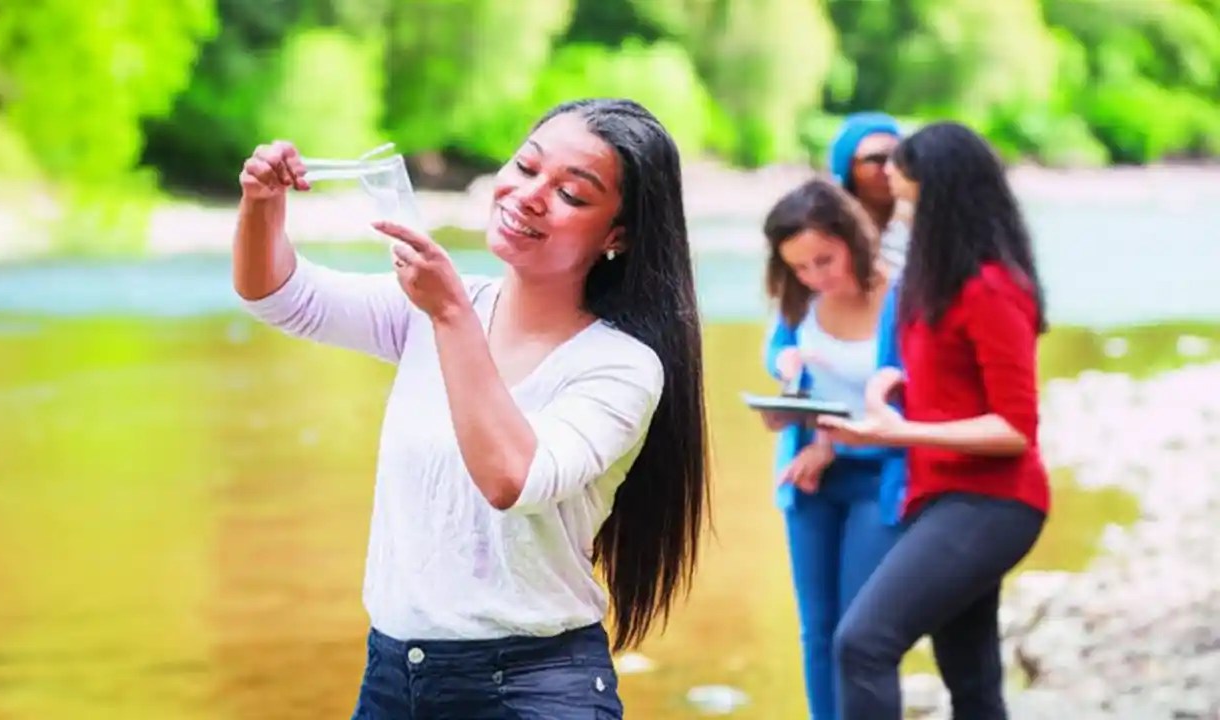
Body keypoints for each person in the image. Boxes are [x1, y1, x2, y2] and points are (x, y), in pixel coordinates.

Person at [231, 98, 710, 719]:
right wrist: (262, 205)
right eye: (527, 166)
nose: (530, 196)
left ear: (617, 235)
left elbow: (513, 479)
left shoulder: (620, 366)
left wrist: (451, 313)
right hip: (393, 681)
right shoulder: (429, 312)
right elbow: (279, 296)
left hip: (532, 688)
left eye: (571, 194)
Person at [818, 121, 1050, 720]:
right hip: (942, 496)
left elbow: (1014, 428)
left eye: (903, 191)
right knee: (972, 683)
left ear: (940, 194)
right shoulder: (932, 283)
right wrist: (892, 387)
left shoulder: (991, 286)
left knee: (862, 644)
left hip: (994, 503)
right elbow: (950, 383)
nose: (893, 204)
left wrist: (898, 432)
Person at [758, 178, 906, 720]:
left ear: (853, 239)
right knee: (817, 630)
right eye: (800, 267)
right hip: (809, 479)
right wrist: (785, 391)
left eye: (825, 260)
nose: (816, 277)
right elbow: (783, 361)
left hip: (878, 476)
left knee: (859, 634)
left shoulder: (900, 297)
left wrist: (831, 444)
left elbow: (911, 396)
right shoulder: (798, 301)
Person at [827, 112, 909, 272]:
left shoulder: (920, 232)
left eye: (899, 158)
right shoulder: (829, 234)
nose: (890, 168)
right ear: (850, 167)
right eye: (877, 159)